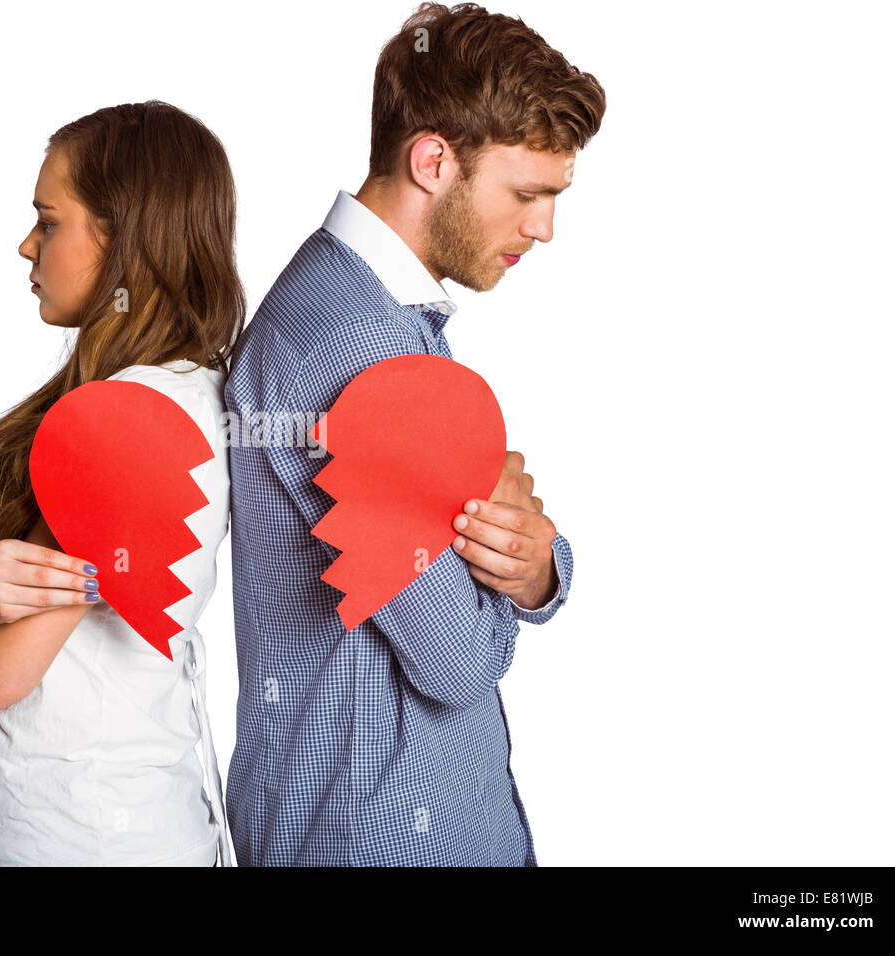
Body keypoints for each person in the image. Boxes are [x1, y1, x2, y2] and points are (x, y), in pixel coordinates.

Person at [223, 4, 606, 865]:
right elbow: (457, 661)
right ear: (433, 160)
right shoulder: (361, 342)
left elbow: (487, 557)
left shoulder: (351, 304)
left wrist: (536, 567)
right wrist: (505, 597)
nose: (545, 228)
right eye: (528, 193)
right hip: (385, 834)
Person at [0, 101, 244, 866]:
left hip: (104, 840)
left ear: (123, 237)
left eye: (49, 221)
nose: (26, 245)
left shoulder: (137, 420)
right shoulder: (103, 398)